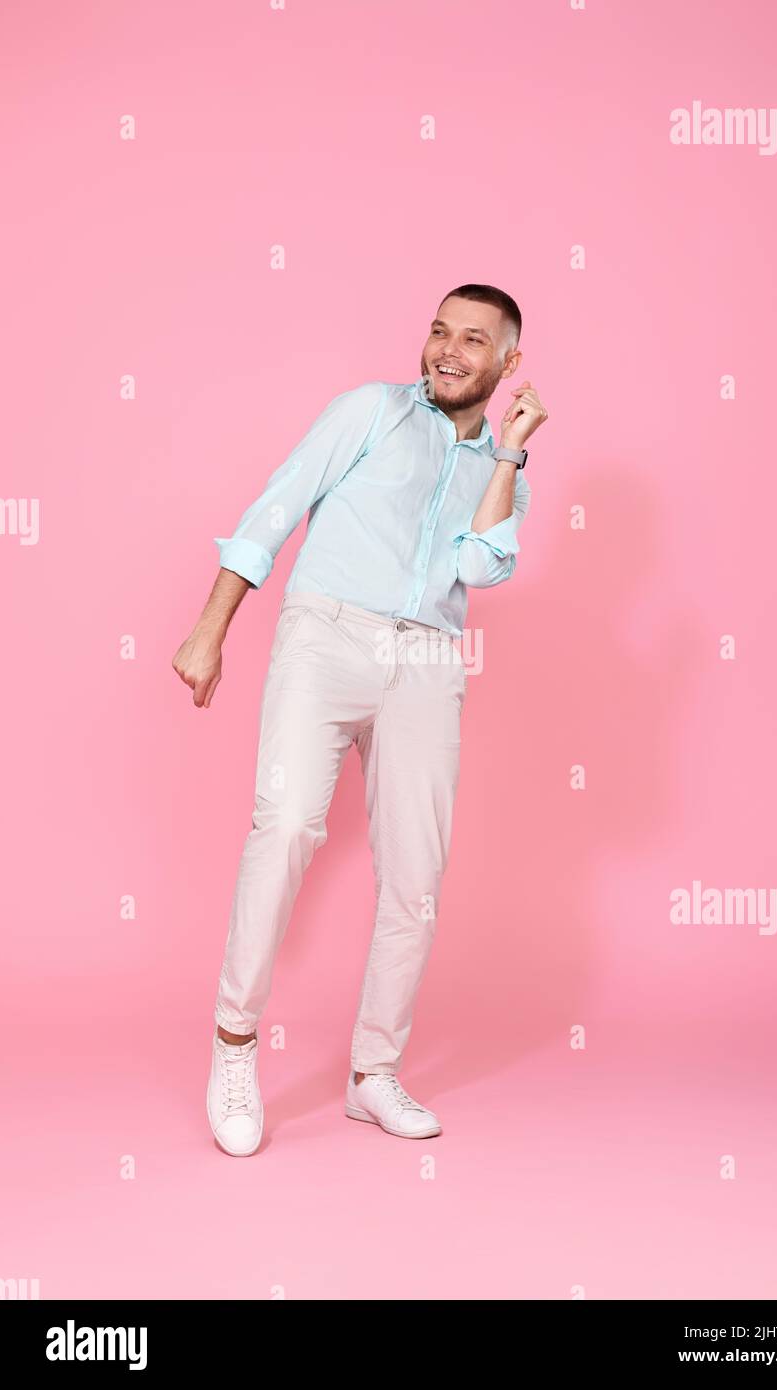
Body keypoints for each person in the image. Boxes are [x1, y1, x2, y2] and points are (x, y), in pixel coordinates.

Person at [172, 283, 548, 1155]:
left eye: (473, 341)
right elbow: (279, 503)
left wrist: (511, 457)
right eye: (439, 332)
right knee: (288, 827)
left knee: (415, 876)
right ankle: (233, 1046)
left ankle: (373, 1075)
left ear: (507, 364)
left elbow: (484, 569)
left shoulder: (505, 471)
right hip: (328, 631)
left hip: (426, 658)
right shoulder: (370, 411)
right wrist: (209, 627)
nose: (448, 352)